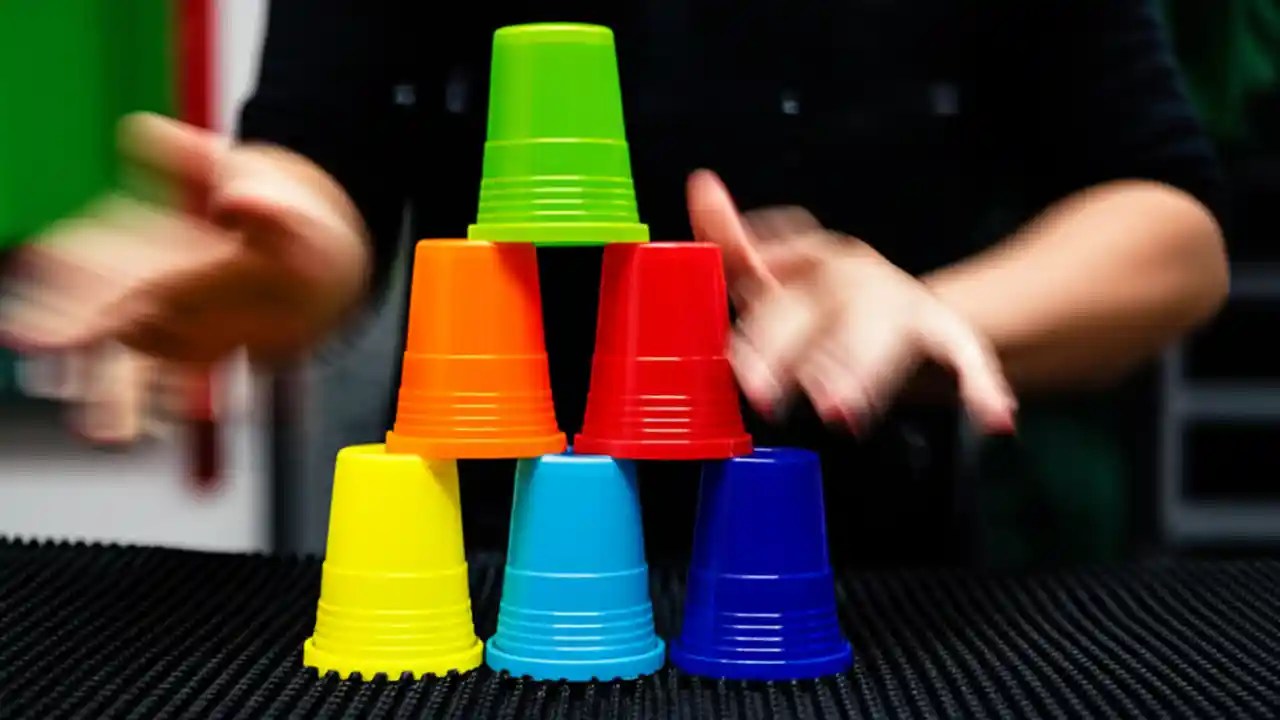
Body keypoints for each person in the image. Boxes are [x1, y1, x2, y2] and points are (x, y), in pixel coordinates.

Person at [0, 1, 1229, 568]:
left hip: (887, 581)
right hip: (479, 578)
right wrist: (293, 252)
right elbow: (317, 162)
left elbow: (1168, 222)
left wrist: (943, 309)